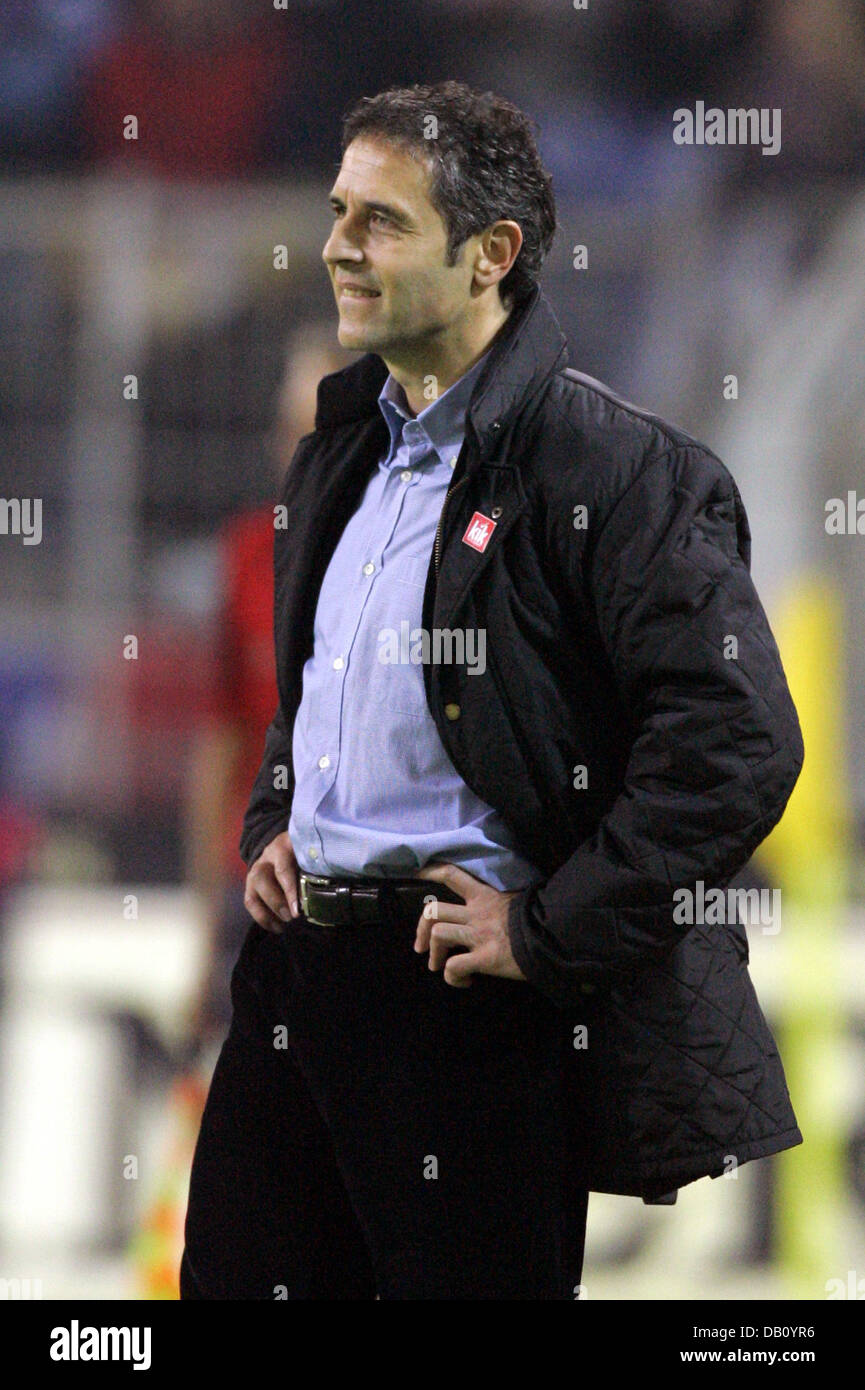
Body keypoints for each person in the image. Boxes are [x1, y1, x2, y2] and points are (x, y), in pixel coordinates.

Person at [181, 80, 804, 1301]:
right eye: (337, 209)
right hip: (295, 988)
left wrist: (548, 925)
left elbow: (736, 744)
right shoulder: (339, 442)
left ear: (491, 256)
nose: (335, 246)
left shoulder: (618, 471)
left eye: (382, 221)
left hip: (464, 1006)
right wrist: (276, 817)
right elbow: (313, 681)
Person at [183, 325, 353, 1045]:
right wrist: (201, 933)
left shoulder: (422, 570)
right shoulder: (247, 556)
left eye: (316, 432)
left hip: (361, 903)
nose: (298, 455)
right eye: (288, 433)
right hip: (252, 890)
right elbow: (221, 744)